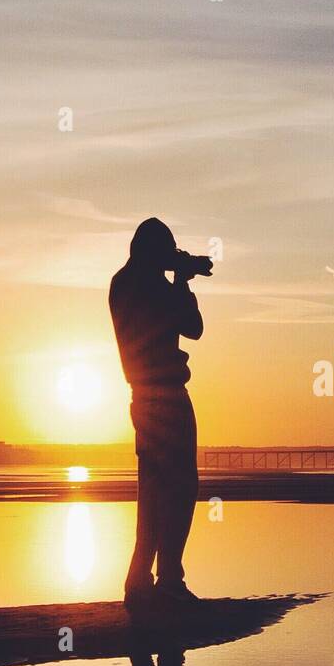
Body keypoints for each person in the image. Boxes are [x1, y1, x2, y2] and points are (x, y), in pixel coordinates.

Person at [109, 218, 210, 608]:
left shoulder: (122, 282)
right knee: (182, 486)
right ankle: (168, 579)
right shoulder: (153, 286)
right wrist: (182, 281)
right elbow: (194, 327)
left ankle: (139, 581)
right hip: (167, 396)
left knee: (152, 488)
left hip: (141, 396)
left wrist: (176, 274)